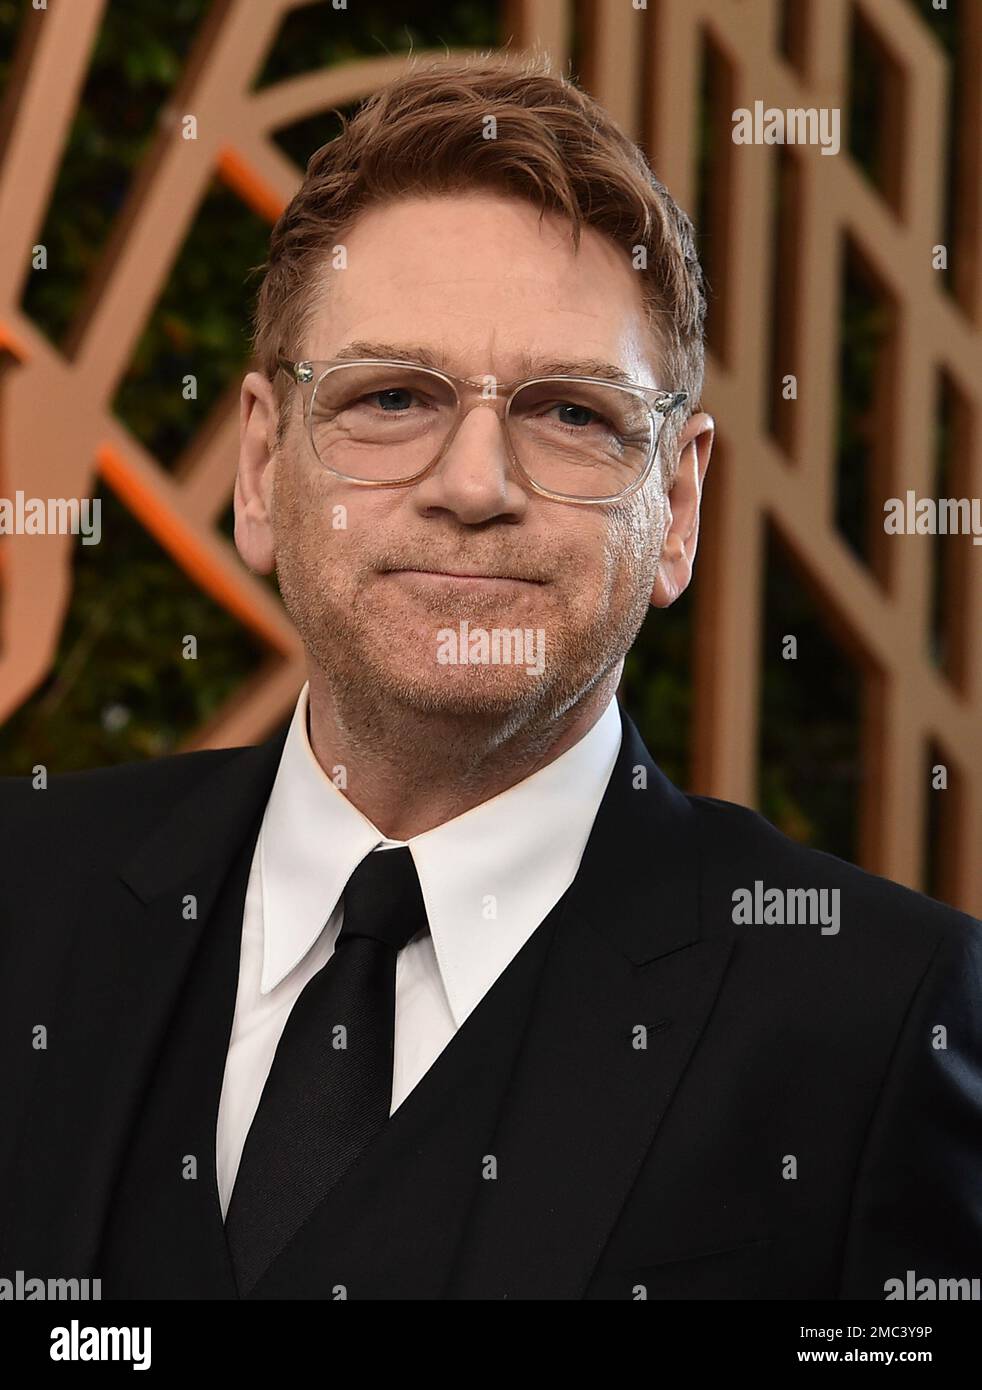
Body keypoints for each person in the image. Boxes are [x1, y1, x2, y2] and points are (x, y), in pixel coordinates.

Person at [1, 54, 979, 1302]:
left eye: (569, 412)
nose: (473, 483)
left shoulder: (878, 1020)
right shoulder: (20, 900)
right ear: (259, 468)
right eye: (391, 396)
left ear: (674, 506)